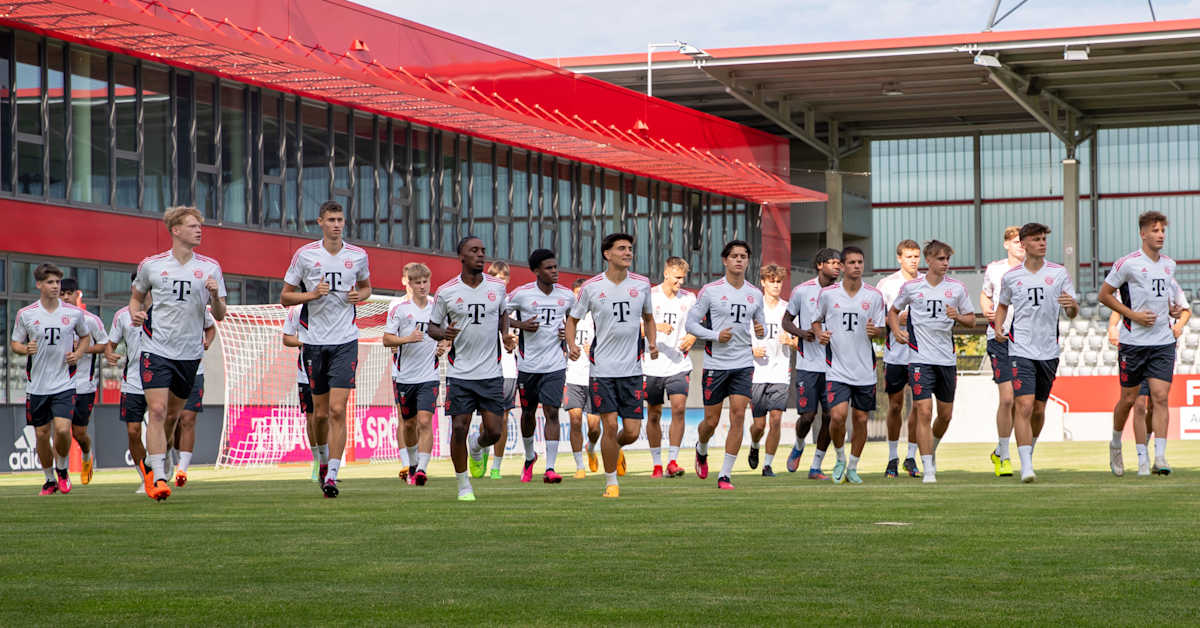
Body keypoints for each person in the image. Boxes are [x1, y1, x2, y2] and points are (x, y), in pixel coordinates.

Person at [131, 206, 227, 501]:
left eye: (200, 226)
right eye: (192, 226)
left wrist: (213, 295)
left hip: (190, 353)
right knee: (157, 411)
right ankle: (158, 477)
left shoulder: (211, 267)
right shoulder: (152, 265)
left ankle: (159, 460)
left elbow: (220, 314)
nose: (199, 230)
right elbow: (136, 297)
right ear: (175, 230)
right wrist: (136, 314)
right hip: (156, 348)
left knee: (173, 414)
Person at [281, 201, 371, 498]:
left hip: (346, 341)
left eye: (340, 219)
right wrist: (312, 294)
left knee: (336, 409)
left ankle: (332, 473)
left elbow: (367, 287)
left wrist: (360, 295)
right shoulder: (305, 255)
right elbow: (285, 297)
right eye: (331, 219)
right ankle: (321, 461)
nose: (336, 224)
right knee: (319, 414)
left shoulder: (358, 256)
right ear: (320, 222)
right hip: (314, 342)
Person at [565, 233, 657, 498]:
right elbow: (571, 321)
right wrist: (571, 345)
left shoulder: (641, 285)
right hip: (602, 370)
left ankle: (611, 449)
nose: (628, 252)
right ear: (607, 254)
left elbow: (649, 318)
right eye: (621, 249)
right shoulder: (592, 287)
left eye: (630, 248)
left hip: (632, 370)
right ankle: (611, 483)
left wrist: (652, 342)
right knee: (609, 426)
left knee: (631, 431)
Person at [1099, 211, 1184, 477]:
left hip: (1162, 342)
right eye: (1155, 230)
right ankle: (1115, 443)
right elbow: (1104, 295)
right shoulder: (1128, 263)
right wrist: (1132, 315)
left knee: (1160, 398)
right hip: (1133, 343)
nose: (1160, 235)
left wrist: (1171, 310)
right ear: (1143, 233)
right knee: (1128, 400)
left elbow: (1164, 296)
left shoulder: (1169, 265)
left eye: (1163, 231)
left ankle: (1158, 457)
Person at [427, 236, 510, 502]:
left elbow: (503, 314)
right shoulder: (446, 291)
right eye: (474, 250)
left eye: (483, 250)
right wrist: (443, 332)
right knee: (459, 427)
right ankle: (463, 484)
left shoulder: (497, 287)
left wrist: (506, 334)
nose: (480, 255)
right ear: (461, 255)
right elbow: (431, 327)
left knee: (495, 431)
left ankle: (478, 445)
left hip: (491, 373)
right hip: (460, 373)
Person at [994, 223, 1078, 483]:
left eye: (1044, 239)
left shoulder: (1059, 273)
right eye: (1036, 239)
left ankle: (1030, 451)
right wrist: (998, 326)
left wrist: (1072, 306)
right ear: (1024, 244)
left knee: (1039, 409)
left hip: (1048, 351)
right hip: (1020, 349)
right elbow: (1002, 305)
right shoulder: (1011, 277)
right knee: (1024, 405)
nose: (1042, 243)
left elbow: (1072, 312)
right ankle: (1026, 465)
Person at [887, 240, 974, 483]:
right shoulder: (912, 287)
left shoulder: (957, 288)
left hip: (946, 359)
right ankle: (927, 469)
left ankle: (931, 448)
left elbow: (971, 320)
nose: (945, 263)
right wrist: (896, 331)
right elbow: (892, 312)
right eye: (940, 259)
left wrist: (957, 316)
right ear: (929, 261)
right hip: (919, 359)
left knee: (945, 415)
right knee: (923, 411)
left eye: (947, 259)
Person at [686, 240, 766, 490]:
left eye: (743, 256)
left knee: (739, 415)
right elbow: (691, 324)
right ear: (725, 260)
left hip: (743, 363)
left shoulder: (755, 294)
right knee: (710, 421)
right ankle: (702, 447)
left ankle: (725, 474)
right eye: (734, 256)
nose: (739, 260)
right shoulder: (710, 291)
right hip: (715, 364)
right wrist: (714, 335)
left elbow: (760, 329)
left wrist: (760, 331)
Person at [11, 263, 91, 495]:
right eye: (50, 282)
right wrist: (25, 348)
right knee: (41, 435)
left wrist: (78, 353)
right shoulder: (26, 314)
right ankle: (48, 480)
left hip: (64, 383)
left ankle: (63, 469)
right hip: (37, 386)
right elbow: (15, 343)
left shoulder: (73, 314)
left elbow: (85, 337)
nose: (55, 286)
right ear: (39, 285)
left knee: (64, 430)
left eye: (57, 282)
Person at [811, 246, 885, 485]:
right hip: (837, 369)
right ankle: (840, 457)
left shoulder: (873, 296)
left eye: (860, 262)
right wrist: (819, 333)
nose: (857, 266)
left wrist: (878, 332)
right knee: (837, 416)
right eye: (852, 262)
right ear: (842, 266)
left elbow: (882, 329)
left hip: (865, 370)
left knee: (862, 419)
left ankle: (853, 466)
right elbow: (815, 320)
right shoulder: (829, 294)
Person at [1105, 281, 1190, 475]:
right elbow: (1119, 307)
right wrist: (1112, 326)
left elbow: (1185, 309)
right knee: (1136, 403)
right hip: (1134, 346)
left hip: (1160, 346)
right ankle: (1137, 455)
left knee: (1157, 401)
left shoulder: (1169, 280)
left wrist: (1179, 325)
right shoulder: (1133, 280)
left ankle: (1158, 457)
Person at [507, 249, 575, 483]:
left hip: (555, 364)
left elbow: (573, 321)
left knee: (552, 412)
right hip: (528, 365)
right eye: (549, 268)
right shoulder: (522, 294)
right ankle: (529, 457)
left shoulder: (566, 296)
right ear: (536, 271)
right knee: (527, 413)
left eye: (556, 267)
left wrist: (567, 334)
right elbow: (500, 315)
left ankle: (550, 467)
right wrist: (521, 324)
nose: (555, 271)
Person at [382, 263, 444, 487]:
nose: (422, 286)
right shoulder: (399, 308)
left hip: (429, 374)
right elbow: (387, 339)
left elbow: (448, 332)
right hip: (404, 376)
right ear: (407, 283)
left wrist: (444, 344)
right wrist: (406, 339)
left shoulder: (437, 307)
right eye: (417, 282)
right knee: (408, 424)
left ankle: (421, 470)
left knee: (425, 421)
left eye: (425, 281)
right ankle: (411, 463)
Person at [781, 248, 841, 479]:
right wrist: (801, 333)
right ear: (819, 265)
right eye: (832, 262)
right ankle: (798, 445)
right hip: (807, 366)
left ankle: (816, 466)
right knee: (807, 416)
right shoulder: (802, 291)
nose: (837, 266)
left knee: (830, 417)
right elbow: (786, 321)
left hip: (835, 367)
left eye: (839, 263)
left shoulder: (843, 292)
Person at [642, 256, 696, 478]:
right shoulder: (649, 296)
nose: (680, 283)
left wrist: (692, 336)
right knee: (654, 414)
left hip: (679, 364)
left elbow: (697, 324)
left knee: (679, 408)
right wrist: (652, 327)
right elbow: (635, 327)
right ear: (666, 274)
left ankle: (673, 460)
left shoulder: (689, 299)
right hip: (651, 365)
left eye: (683, 279)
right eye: (676, 278)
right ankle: (656, 463)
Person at [874, 240, 923, 478]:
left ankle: (911, 457)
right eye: (909, 256)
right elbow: (876, 319)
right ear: (899, 258)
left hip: (922, 356)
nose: (914, 261)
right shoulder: (887, 284)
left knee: (919, 407)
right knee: (895, 406)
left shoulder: (927, 282)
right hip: (895, 355)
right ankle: (892, 457)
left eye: (916, 256)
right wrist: (895, 320)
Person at [979, 226, 1025, 477]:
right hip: (1000, 337)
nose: (1021, 245)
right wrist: (987, 309)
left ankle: (1000, 449)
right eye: (1016, 241)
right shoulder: (995, 269)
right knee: (1007, 398)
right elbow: (985, 295)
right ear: (1006, 244)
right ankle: (1005, 457)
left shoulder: (1034, 269)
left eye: (1023, 242)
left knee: (1022, 401)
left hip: (1027, 341)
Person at [60, 278, 108, 485]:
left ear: (77, 295)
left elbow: (104, 345)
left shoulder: (91, 320)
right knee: (60, 430)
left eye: (69, 293)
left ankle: (87, 457)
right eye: (61, 293)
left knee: (79, 433)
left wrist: (81, 350)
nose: (65, 297)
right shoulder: (50, 320)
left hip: (83, 386)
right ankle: (61, 474)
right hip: (58, 385)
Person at [107, 276, 151, 493]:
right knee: (133, 432)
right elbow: (110, 345)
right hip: (133, 382)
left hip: (160, 382)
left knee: (163, 428)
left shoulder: (165, 313)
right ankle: (145, 477)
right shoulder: (122, 316)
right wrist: (110, 354)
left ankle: (162, 461)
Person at [749, 264, 794, 477]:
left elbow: (799, 339)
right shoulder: (753, 308)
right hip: (757, 373)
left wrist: (792, 341)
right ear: (763, 283)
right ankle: (755, 444)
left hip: (780, 372)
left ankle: (768, 465)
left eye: (779, 282)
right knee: (759, 425)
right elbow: (740, 338)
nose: (776, 285)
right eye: (772, 281)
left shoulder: (788, 309)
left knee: (776, 419)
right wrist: (751, 350)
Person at [168, 311, 216, 487]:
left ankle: (182, 470)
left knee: (188, 419)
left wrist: (208, 342)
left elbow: (211, 328)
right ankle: (166, 457)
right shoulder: (165, 306)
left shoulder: (199, 307)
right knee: (172, 419)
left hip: (195, 371)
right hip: (170, 371)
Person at [282, 303, 328, 482]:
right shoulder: (296, 310)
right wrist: (304, 342)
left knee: (326, 417)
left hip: (328, 372)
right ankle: (317, 460)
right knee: (311, 418)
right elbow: (287, 338)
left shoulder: (329, 307)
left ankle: (328, 461)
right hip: (305, 374)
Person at [484, 261, 520, 479]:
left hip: (508, 368)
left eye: (504, 277)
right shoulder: (483, 301)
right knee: (488, 421)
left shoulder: (515, 302)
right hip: (487, 369)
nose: (501, 280)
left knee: (503, 419)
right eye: (496, 276)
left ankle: (496, 466)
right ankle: (479, 450)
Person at [563, 278, 601, 479]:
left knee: (594, 427)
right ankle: (579, 466)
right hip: (573, 376)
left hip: (594, 377)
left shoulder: (598, 316)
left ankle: (591, 447)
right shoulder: (567, 317)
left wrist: (595, 350)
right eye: (577, 294)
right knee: (575, 420)